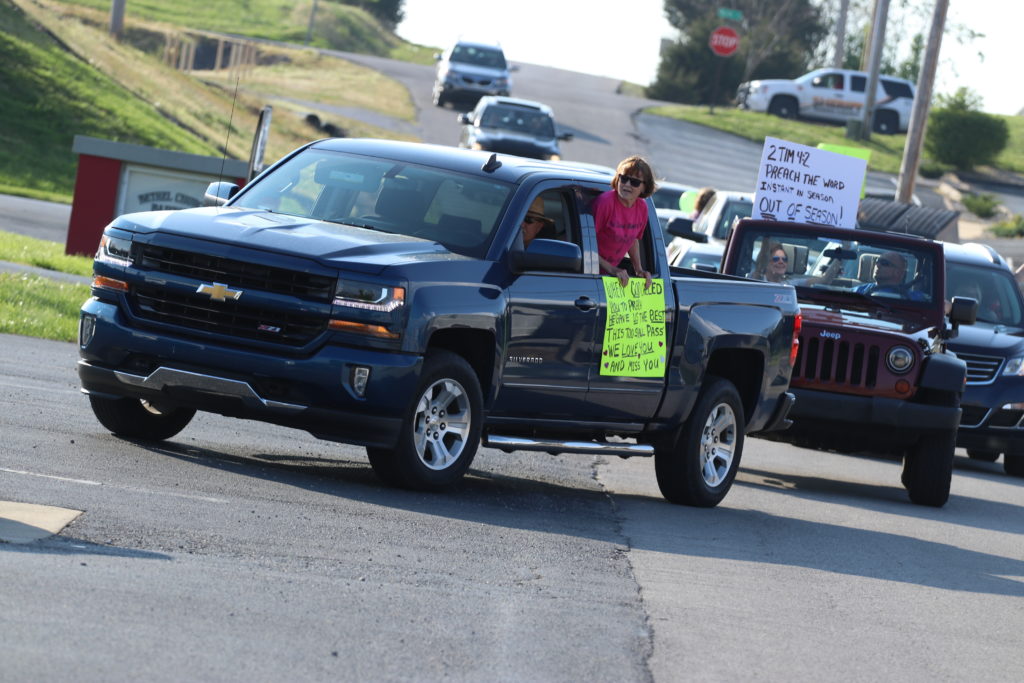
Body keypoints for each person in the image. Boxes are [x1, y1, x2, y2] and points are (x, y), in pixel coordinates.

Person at [594, 155, 658, 288]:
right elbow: (583, 245)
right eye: (624, 178)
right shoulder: (605, 203)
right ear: (617, 178)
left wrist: (638, 269)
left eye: (634, 182)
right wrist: (612, 269)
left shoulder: (642, 207)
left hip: (610, 281)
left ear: (644, 187)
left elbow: (632, 239)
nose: (627, 184)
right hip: (586, 274)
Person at [854, 250, 926, 300]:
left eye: (884, 263)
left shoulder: (913, 298)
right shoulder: (859, 290)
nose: (878, 265)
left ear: (898, 272)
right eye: (877, 261)